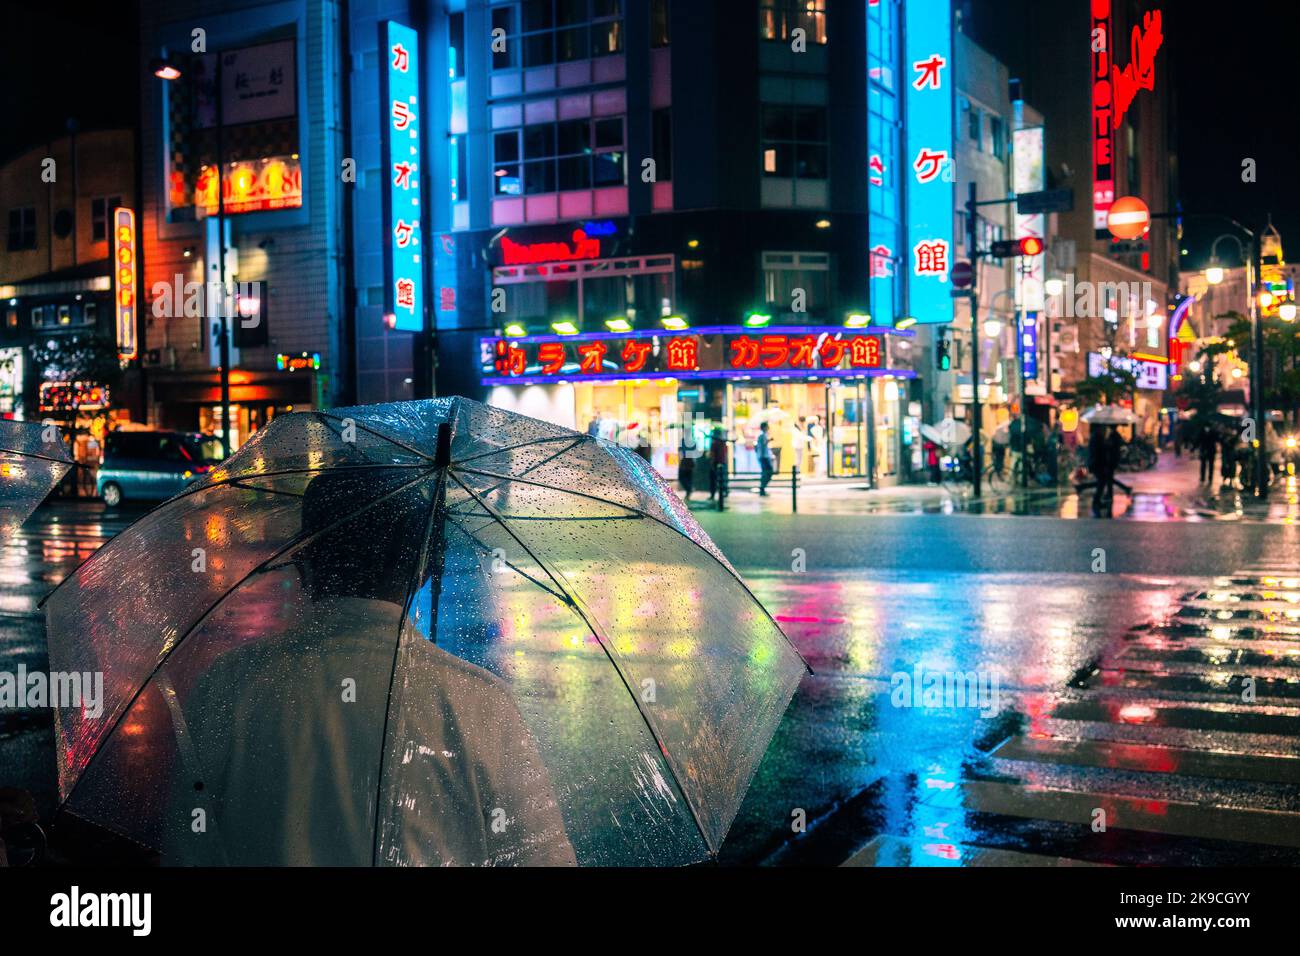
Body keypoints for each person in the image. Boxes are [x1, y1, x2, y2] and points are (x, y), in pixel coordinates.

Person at [163, 468, 576, 866]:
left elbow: (188, 849)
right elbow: (541, 857)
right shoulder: (480, 704)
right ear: (424, 568)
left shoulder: (230, 685)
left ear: (306, 560)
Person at [1089, 424, 1118, 515]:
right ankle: (1096, 502)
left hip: (1098, 463)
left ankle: (1097, 501)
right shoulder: (1097, 437)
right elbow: (1099, 451)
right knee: (1101, 482)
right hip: (1098, 463)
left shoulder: (1097, 437)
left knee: (1101, 482)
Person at [707, 426, 728, 501]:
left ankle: (713, 495)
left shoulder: (714, 443)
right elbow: (724, 454)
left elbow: (713, 455)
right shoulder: (723, 443)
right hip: (722, 463)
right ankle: (724, 493)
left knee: (713, 480)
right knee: (722, 479)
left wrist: (712, 463)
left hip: (715, 463)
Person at [756, 421, 775, 496]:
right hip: (764, 457)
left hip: (763, 456)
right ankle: (762, 488)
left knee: (766, 472)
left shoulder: (763, 435)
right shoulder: (762, 435)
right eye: (767, 426)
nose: (768, 428)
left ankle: (762, 488)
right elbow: (763, 445)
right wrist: (769, 440)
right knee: (768, 472)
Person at [677, 434, 696, 501]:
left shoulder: (683, 441)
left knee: (682, 477)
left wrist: (680, 460)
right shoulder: (692, 441)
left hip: (685, 461)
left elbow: (680, 451)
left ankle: (689, 489)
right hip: (690, 461)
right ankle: (689, 491)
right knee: (688, 477)